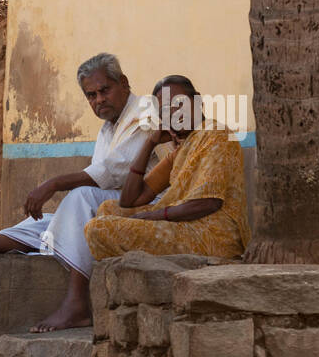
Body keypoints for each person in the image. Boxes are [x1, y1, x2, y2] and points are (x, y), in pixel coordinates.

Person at [0, 52, 157, 331]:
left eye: (104, 90)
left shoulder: (145, 112)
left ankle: (77, 304)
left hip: (149, 204)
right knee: (49, 220)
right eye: (91, 96)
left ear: (124, 84)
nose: (99, 100)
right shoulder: (108, 127)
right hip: (118, 205)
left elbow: (111, 172)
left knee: (80, 198)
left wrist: (53, 184)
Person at [85, 75, 251, 262]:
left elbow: (208, 203)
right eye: (164, 110)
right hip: (184, 227)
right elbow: (130, 200)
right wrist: (150, 142)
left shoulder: (216, 135)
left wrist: (153, 216)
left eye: (178, 103)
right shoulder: (182, 147)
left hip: (212, 235)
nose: (173, 113)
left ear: (197, 100)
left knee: (98, 228)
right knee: (108, 209)